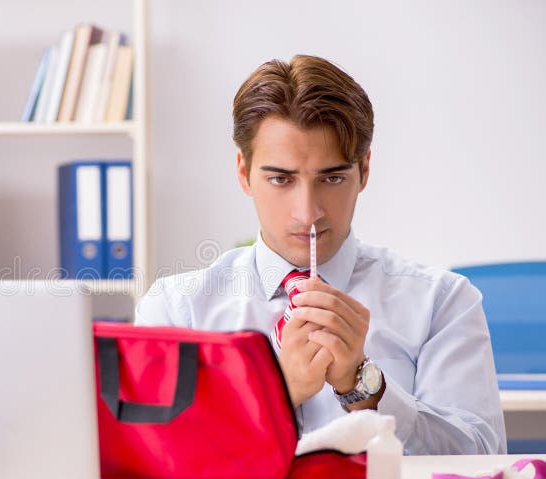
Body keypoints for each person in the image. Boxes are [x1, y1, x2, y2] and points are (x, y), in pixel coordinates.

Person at [135, 55, 506, 455]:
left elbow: (482, 459)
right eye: (281, 179)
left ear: (364, 171)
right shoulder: (177, 309)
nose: (308, 212)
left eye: (332, 178)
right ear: (243, 173)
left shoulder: (442, 302)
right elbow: (153, 457)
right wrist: (277, 394)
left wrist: (365, 386)